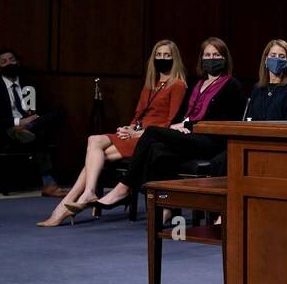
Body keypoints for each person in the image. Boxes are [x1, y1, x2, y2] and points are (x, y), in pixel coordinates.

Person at [38, 41, 187, 226]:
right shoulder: (151, 84)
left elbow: (170, 123)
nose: (162, 59)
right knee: (95, 145)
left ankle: (66, 204)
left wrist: (139, 133)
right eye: (158, 55)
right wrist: (128, 129)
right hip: (137, 133)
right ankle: (86, 194)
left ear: (175, 59)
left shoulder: (178, 85)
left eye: (167, 56)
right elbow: (139, 114)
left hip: (150, 139)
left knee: (94, 152)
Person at [93, 39, 246, 208]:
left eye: (216, 55)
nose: (211, 59)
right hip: (189, 136)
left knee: (152, 131)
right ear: (201, 59)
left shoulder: (232, 85)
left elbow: (225, 121)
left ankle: (124, 187)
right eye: (207, 55)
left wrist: (187, 126)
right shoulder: (198, 84)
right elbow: (182, 115)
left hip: (211, 141)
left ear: (225, 58)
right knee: (157, 149)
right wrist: (178, 125)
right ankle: (168, 206)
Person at [0, 48, 69, 196]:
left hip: (30, 127)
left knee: (59, 111)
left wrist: (31, 120)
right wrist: (18, 122)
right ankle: (49, 184)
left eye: (12, 60)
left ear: (18, 62)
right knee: (39, 133)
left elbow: (38, 109)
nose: (9, 63)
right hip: (8, 128)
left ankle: (28, 128)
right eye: (4, 61)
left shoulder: (29, 84)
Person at [247, 39, 287, 121]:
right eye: (273, 55)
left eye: (282, 57)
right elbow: (249, 119)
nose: (276, 59)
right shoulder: (258, 88)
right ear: (266, 60)